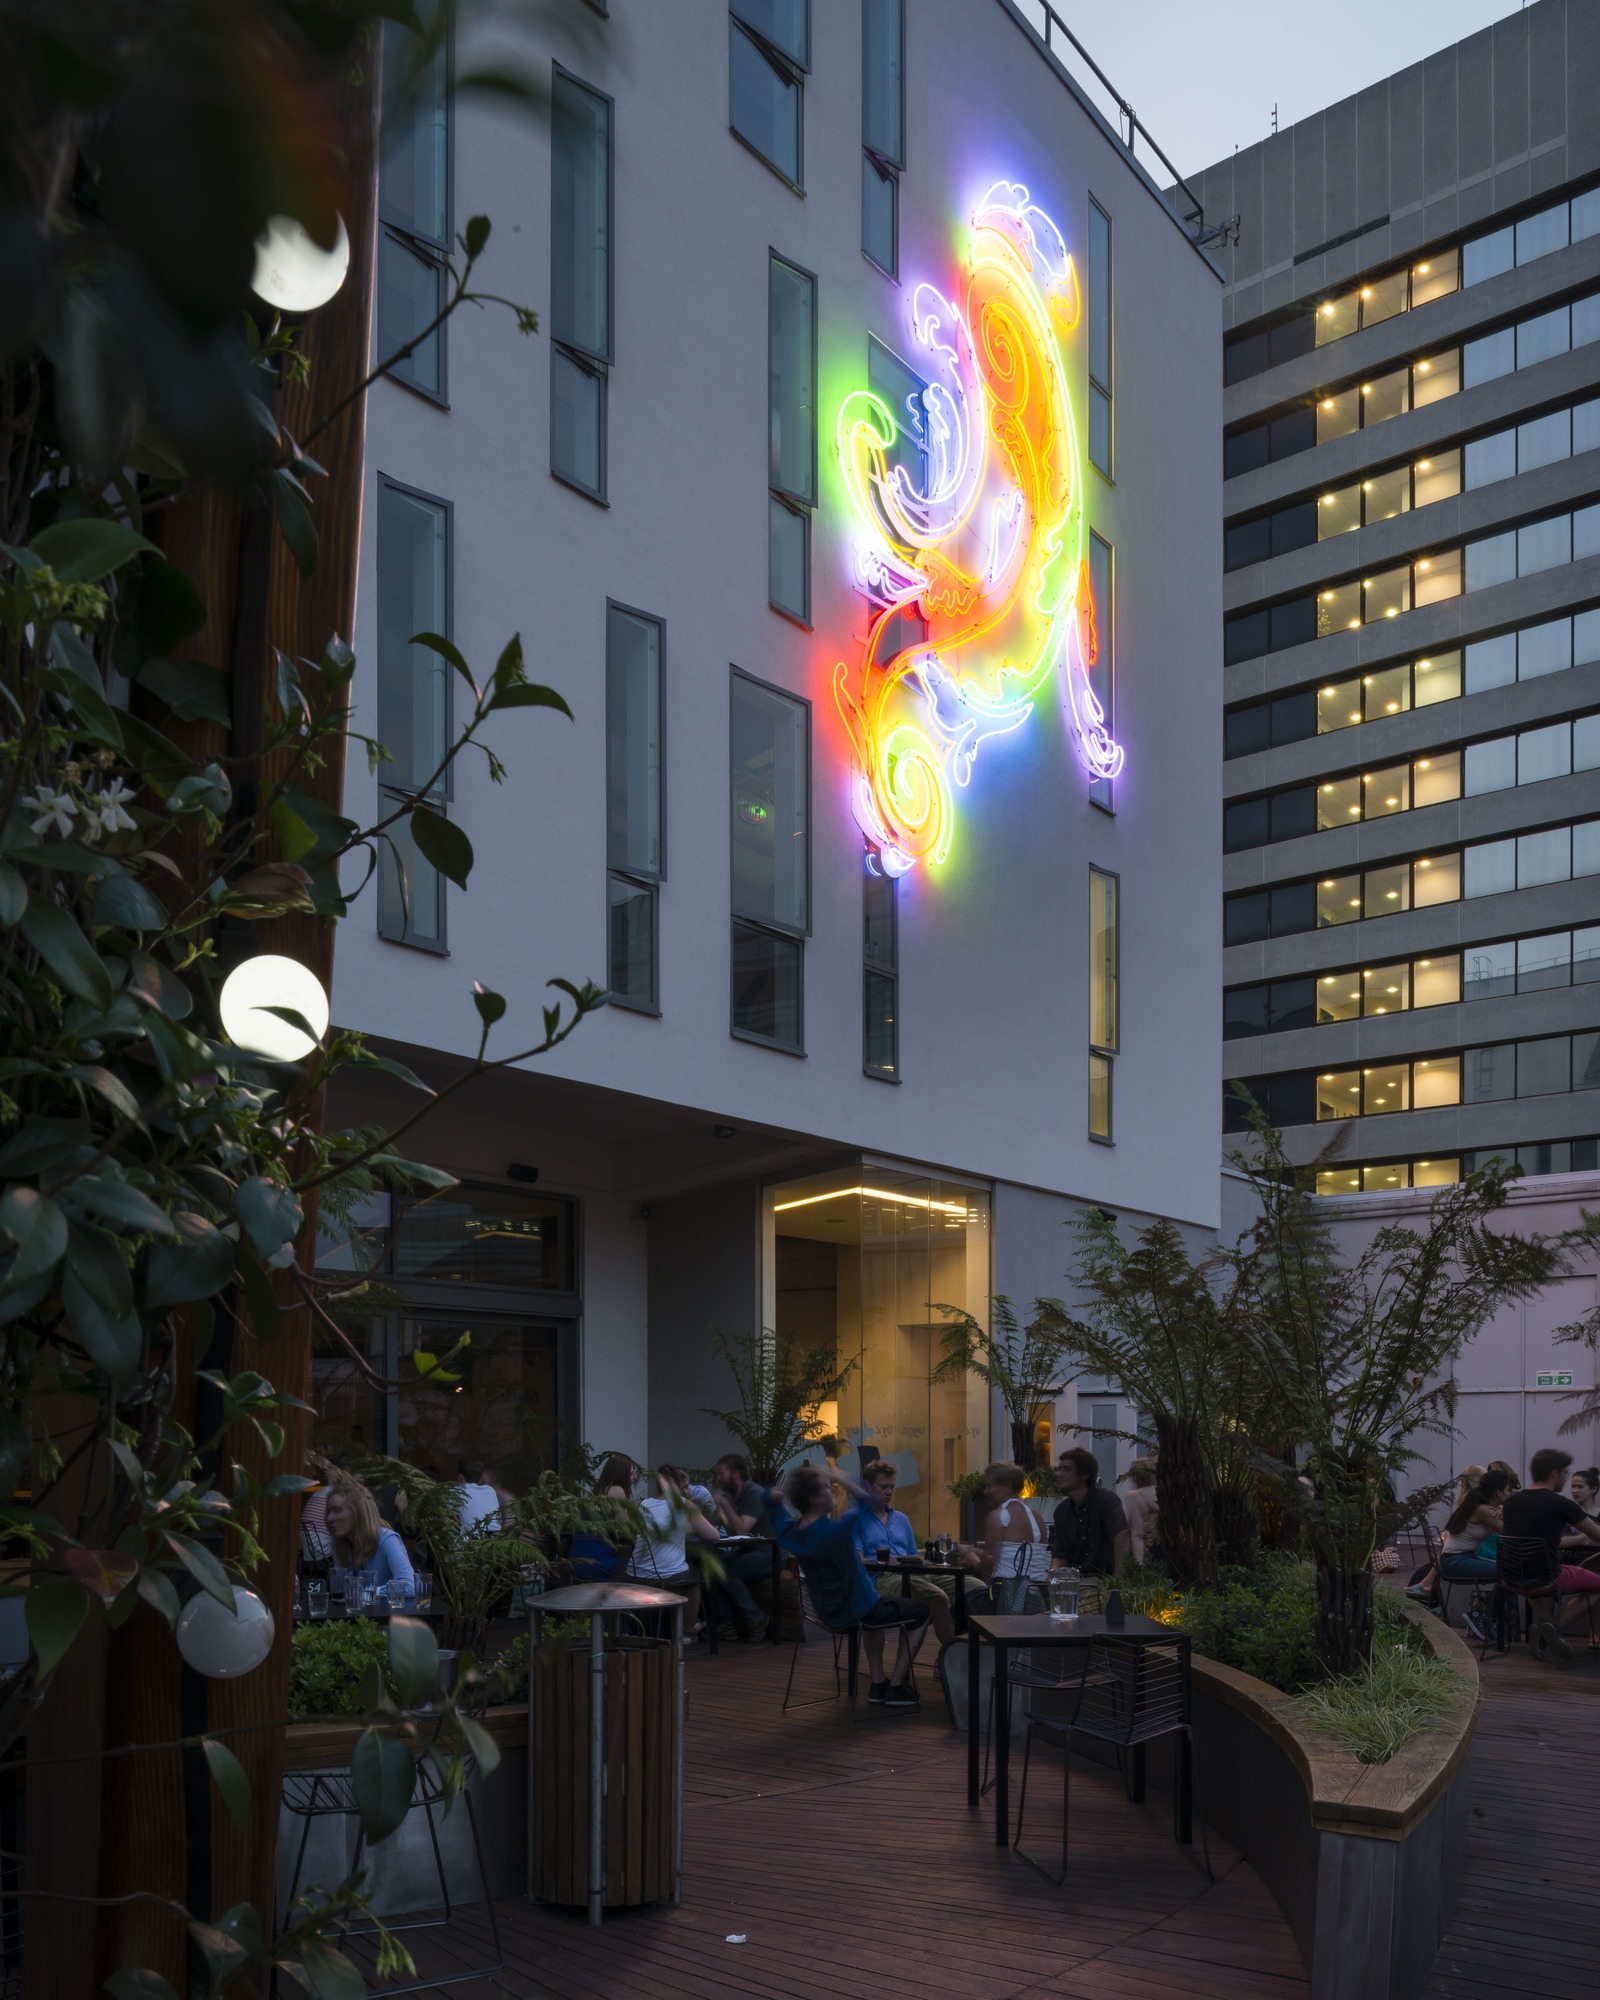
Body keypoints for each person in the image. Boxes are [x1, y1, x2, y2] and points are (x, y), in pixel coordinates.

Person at [766, 1461, 930, 1707]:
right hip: (860, 1610)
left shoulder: (791, 1533)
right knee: (923, 1611)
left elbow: (769, 1501)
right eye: (826, 1487)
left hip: (827, 1614)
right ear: (815, 1498)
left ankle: (878, 1683)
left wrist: (779, 1492)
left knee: (879, 1606)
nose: (832, 1490)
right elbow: (869, 1503)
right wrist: (843, 1478)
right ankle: (896, 1686)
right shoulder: (834, 1534)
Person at [846, 1460, 957, 1647]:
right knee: (937, 1598)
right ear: (867, 1486)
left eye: (892, 1487)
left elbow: (914, 1555)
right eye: (883, 1486)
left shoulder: (901, 1519)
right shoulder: (856, 1518)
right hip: (882, 1579)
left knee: (972, 1587)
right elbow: (859, 1562)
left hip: (913, 1574)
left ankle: (967, 1650)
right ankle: (952, 1658)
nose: (889, 1492)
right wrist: (892, 1561)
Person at [1501, 1447, 1600, 1651]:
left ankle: (1544, 1638)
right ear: (1554, 1473)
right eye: (1565, 1474)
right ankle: (1552, 1629)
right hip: (1546, 1577)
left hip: (1511, 1576)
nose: (1566, 1480)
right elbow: (1596, 1535)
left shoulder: (1511, 1501)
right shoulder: (1560, 1503)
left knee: (1538, 1582)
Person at [625, 1464, 721, 1644]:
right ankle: (687, 1631)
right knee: (693, 1582)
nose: (686, 1490)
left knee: (677, 1583)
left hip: (636, 1572)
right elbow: (713, 1535)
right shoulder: (684, 1505)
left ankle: (670, 1630)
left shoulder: (644, 1504)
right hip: (665, 1574)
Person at [955, 1463, 1051, 1609]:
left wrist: (973, 1560)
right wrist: (972, 1550)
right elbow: (1013, 1555)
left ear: (1007, 1485)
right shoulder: (1036, 1516)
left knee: (954, 1610)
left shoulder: (999, 1515)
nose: (986, 1492)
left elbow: (987, 1566)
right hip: (1039, 1594)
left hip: (1009, 1594)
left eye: (990, 1486)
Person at [1436, 1468, 1513, 1643]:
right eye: (1508, 1490)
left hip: (1461, 1558)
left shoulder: (1479, 1505)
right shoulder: (1482, 1509)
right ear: (1499, 1492)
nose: (1510, 1494)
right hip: (1455, 1561)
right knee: (1509, 1573)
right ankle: (1480, 1615)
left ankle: (1484, 1616)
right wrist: (1505, 1511)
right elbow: (1509, 1532)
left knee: (1509, 1571)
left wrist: (1500, 1509)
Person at [708, 1453, 771, 1642]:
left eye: (721, 1474)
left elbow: (742, 1528)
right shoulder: (734, 1495)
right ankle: (727, 1624)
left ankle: (755, 1618)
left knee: (726, 1571)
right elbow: (721, 1524)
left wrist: (725, 1504)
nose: (718, 1479)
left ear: (735, 1475)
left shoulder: (754, 1494)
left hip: (768, 1553)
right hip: (747, 1551)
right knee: (713, 1567)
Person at [326, 1480, 415, 1600]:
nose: (329, 1518)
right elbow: (341, 1596)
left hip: (387, 1616)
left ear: (358, 1512)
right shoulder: (341, 1546)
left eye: (337, 1510)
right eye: (329, 1511)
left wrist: (364, 1593)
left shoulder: (387, 1539)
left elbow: (409, 1587)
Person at [1050, 1448, 1130, 1577]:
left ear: (1085, 1474)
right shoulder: (1062, 1511)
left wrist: (1118, 1581)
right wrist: (1052, 1580)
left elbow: (1121, 1534)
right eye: (1059, 1469)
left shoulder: (1106, 1500)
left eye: (1067, 1469)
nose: (1059, 1474)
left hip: (1102, 1580)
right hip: (1075, 1582)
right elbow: (1059, 1555)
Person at [1122, 1463, 1159, 1566]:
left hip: (1150, 1552)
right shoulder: (1161, 1492)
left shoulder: (1134, 1496)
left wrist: (1139, 1566)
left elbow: (1137, 1534)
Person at [455, 1458, 503, 1535]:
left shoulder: (456, 1491)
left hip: (469, 1543)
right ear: (480, 1478)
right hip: (495, 1540)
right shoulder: (490, 1491)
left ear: (461, 1477)